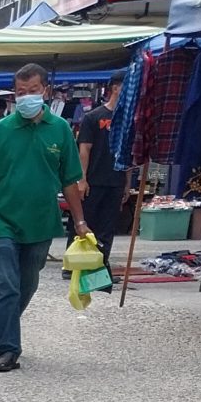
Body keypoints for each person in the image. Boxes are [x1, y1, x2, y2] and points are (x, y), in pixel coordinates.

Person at [0, 62, 89, 373]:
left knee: (27, 282)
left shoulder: (60, 130)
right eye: (20, 92)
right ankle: (8, 349)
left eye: (32, 91)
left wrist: (80, 222)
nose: (26, 97)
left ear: (45, 91)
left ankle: (4, 327)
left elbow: (70, 180)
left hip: (41, 221)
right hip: (2, 220)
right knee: (5, 284)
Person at [77, 72, 128, 261]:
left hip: (116, 181)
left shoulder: (128, 119)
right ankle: (75, 263)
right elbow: (84, 149)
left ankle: (101, 262)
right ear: (115, 88)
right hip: (93, 181)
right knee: (84, 223)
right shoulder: (93, 117)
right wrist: (82, 179)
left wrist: (127, 182)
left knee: (108, 227)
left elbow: (128, 152)